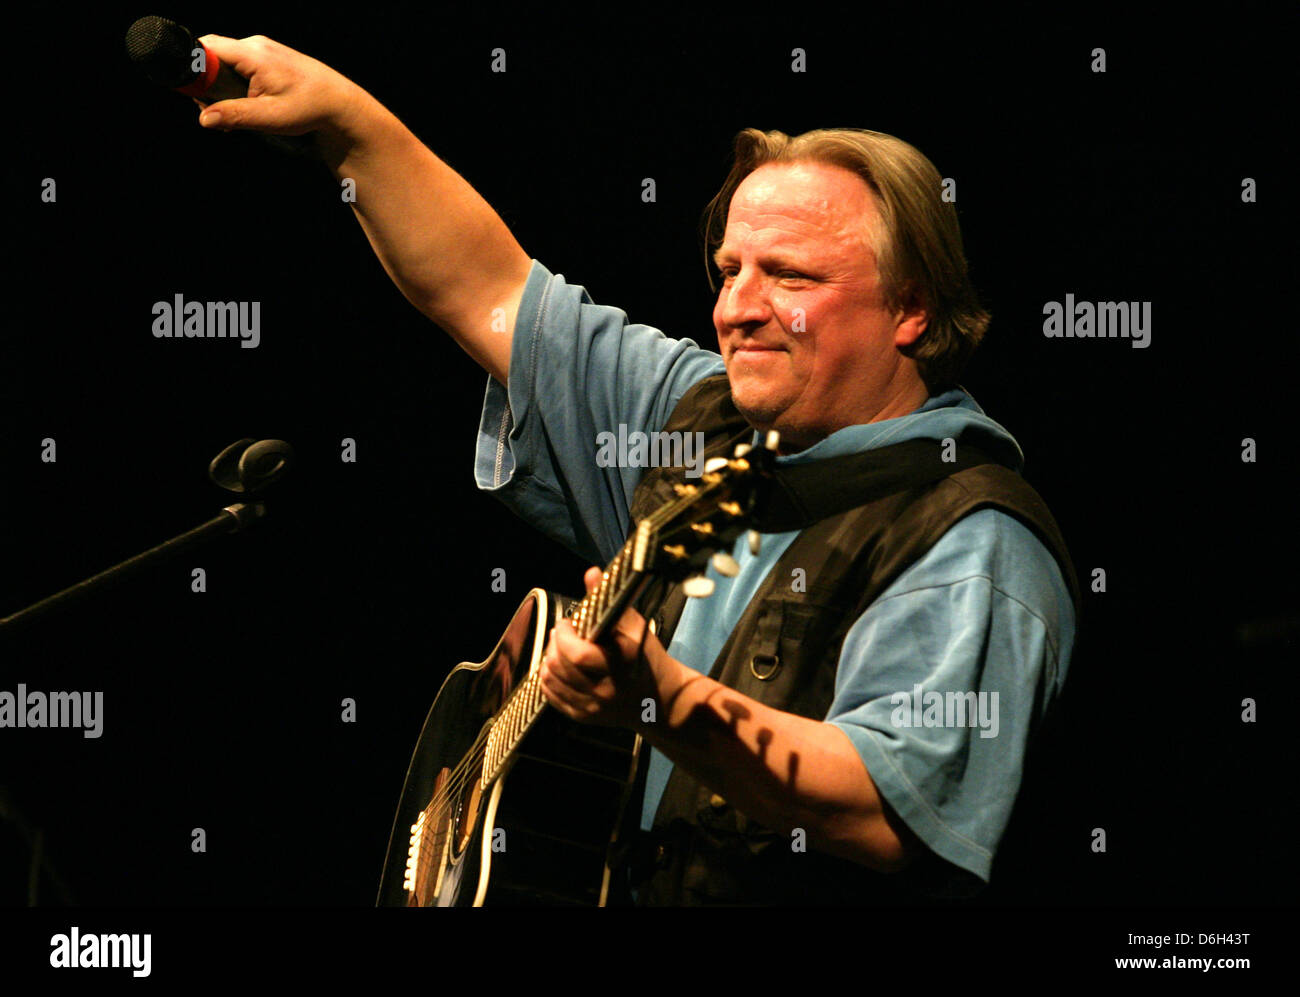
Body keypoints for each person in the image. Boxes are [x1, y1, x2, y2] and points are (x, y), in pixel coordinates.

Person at [195, 33, 1078, 905]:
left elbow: (887, 810)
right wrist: (343, 121)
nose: (737, 308)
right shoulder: (700, 417)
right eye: (730, 269)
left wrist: (667, 700)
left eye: (790, 277)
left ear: (912, 309)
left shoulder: (973, 537)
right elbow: (487, 288)